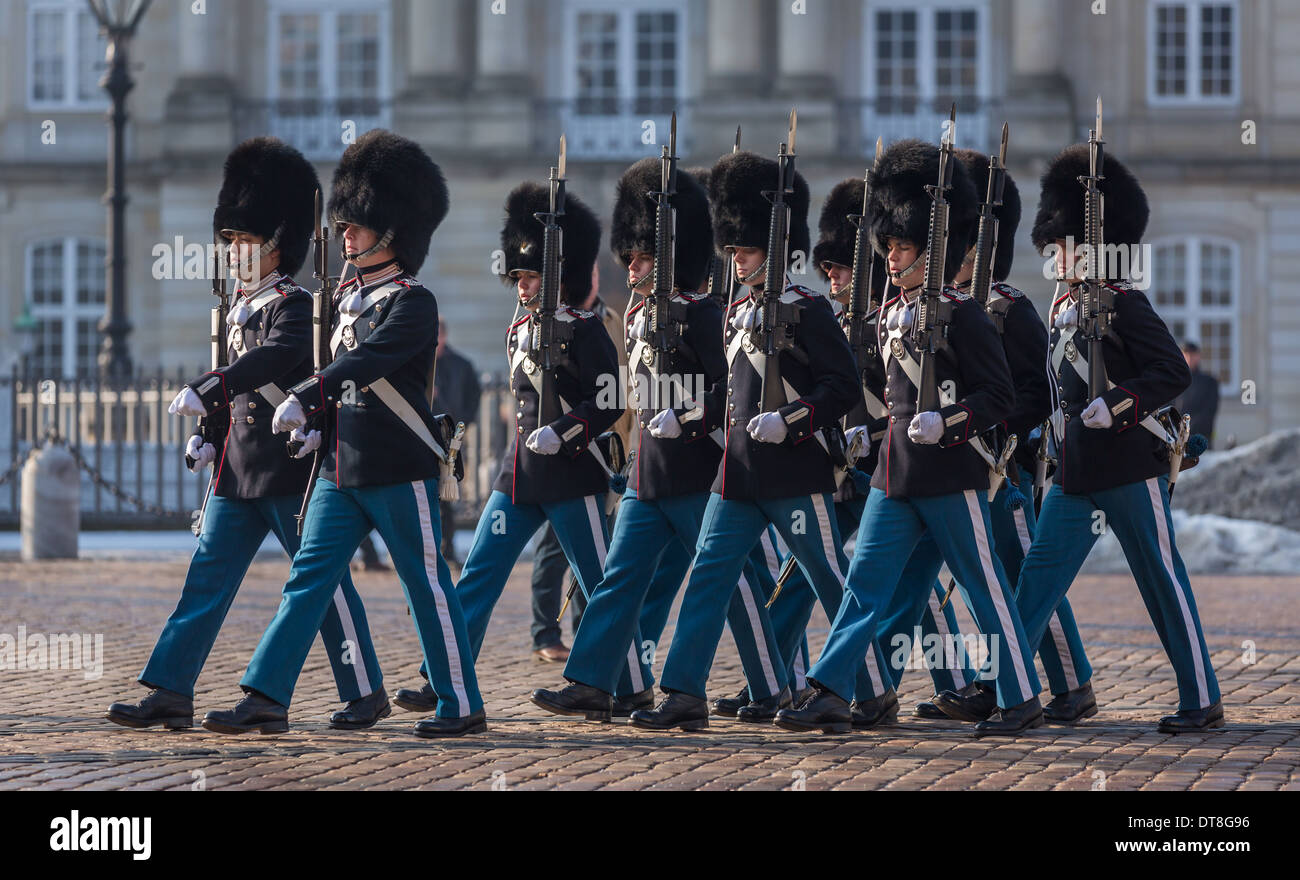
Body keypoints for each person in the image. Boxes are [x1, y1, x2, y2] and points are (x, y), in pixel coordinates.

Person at [202, 130, 486, 738]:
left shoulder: (414, 302)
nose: (346, 234)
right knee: (308, 581)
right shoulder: (342, 298)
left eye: (358, 226)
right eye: (346, 224)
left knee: (425, 585)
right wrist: (315, 425)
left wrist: (308, 397)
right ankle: (265, 696)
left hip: (397, 465)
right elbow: (329, 372)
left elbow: (365, 365)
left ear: (392, 231)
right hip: (338, 466)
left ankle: (461, 702)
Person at [106, 137, 385, 732]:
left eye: (243, 242)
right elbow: (237, 391)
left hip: (287, 468)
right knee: (204, 579)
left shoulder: (296, 305)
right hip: (237, 468)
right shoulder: (239, 308)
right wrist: (209, 432)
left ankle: (363, 689)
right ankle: (170, 687)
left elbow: (272, 362)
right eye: (229, 241)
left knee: (323, 586)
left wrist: (210, 386)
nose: (232, 252)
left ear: (276, 245)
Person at [775, 138, 1043, 737]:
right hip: (895, 476)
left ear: (931, 249)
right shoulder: (893, 315)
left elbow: (1000, 397)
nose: (892, 259)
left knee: (985, 587)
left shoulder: (965, 314)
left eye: (902, 247)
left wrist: (948, 422)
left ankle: (1021, 695)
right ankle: (831, 689)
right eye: (889, 247)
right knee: (863, 585)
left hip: (951, 474)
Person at [531, 158, 789, 725]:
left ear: (669, 257)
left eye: (644, 258)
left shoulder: (700, 315)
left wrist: (691, 420)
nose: (632, 271)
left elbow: (732, 390)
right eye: (630, 259)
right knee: (619, 581)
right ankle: (594, 680)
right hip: (649, 474)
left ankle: (770, 685)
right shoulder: (648, 312)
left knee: (725, 581)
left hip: (698, 470)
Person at [628, 149, 869, 732]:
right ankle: (684, 692)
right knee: (708, 577)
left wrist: (794, 419)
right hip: (735, 474)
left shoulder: (808, 308)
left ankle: (868, 688)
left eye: (744, 250)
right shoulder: (736, 310)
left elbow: (842, 385)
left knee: (831, 581)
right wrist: (688, 418)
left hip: (793, 472)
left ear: (776, 248)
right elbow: (729, 393)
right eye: (731, 251)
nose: (733, 261)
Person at [391, 181, 653, 714]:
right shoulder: (520, 327)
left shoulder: (585, 330)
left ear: (555, 276)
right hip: (520, 475)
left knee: (598, 584)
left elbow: (610, 400)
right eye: (519, 276)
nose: (522, 286)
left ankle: (628, 682)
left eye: (531, 276)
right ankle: (442, 676)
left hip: (574, 472)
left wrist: (568, 430)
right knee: (480, 574)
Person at [1012, 144, 1223, 734]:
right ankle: (1007, 690)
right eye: (1053, 249)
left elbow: (1172, 373)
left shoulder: (1124, 303)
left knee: (1159, 579)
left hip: (1131, 464)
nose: (1057, 257)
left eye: (1066, 246)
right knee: (1037, 583)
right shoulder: (1061, 310)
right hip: (1075, 470)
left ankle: (1202, 697)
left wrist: (1119, 404)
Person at [928, 149, 1096, 726]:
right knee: (991, 585)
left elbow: (1037, 391)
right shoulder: (944, 308)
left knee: (1025, 580)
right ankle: (999, 679)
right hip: (957, 461)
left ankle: (1073, 685)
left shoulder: (1008, 309)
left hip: (1003, 465)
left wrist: (997, 434)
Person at [431, 319, 483, 566]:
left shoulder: (461, 364)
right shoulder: (423, 363)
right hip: (426, 434)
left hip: (452, 438)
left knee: (449, 494)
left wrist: (464, 422)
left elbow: (474, 394)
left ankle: (448, 548)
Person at [1174, 341, 1219, 448]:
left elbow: (1208, 412)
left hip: (1198, 440)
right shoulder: (1174, 381)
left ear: (1198, 356)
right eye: (1186, 354)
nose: (1189, 358)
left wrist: (1186, 431)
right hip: (1175, 440)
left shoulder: (1209, 383)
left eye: (1192, 354)